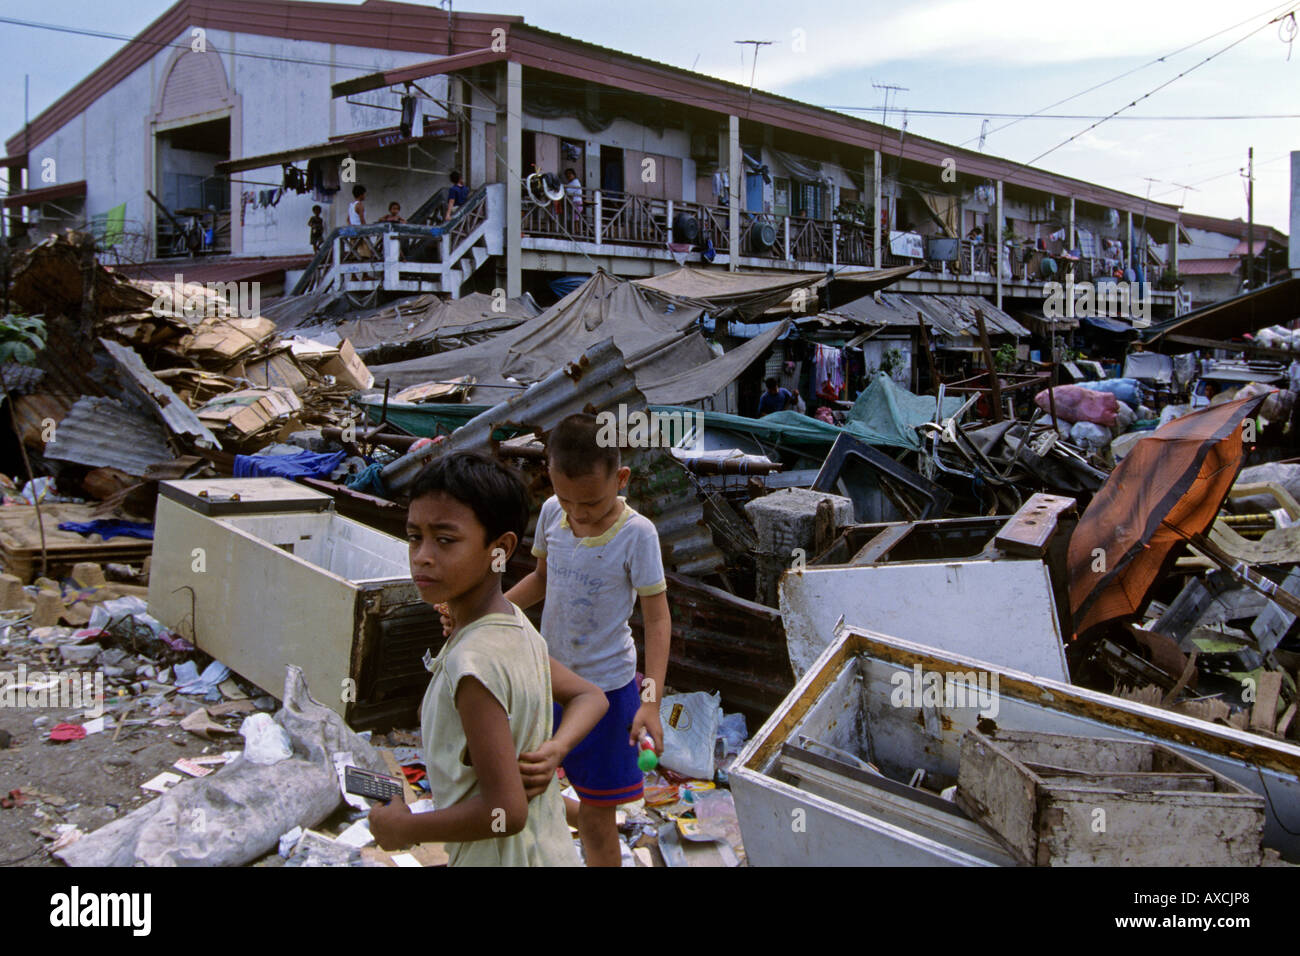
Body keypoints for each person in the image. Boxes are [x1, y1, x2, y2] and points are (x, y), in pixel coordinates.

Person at [446, 414, 671, 867]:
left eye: (591, 501)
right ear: (549, 476)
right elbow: (541, 580)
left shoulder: (637, 535)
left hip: (608, 694)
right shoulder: (553, 513)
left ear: (620, 478)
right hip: (546, 684)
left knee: (597, 820)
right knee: (524, 791)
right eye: (567, 499)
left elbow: (658, 619)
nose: (579, 513)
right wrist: (479, 616)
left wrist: (650, 703)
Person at [368, 452, 608, 867]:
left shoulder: (473, 668)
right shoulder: (514, 625)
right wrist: (555, 749)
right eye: (414, 537)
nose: (422, 555)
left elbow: (506, 814)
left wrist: (406, 829)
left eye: (445, 540)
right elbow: (591, 695)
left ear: (500, 550)